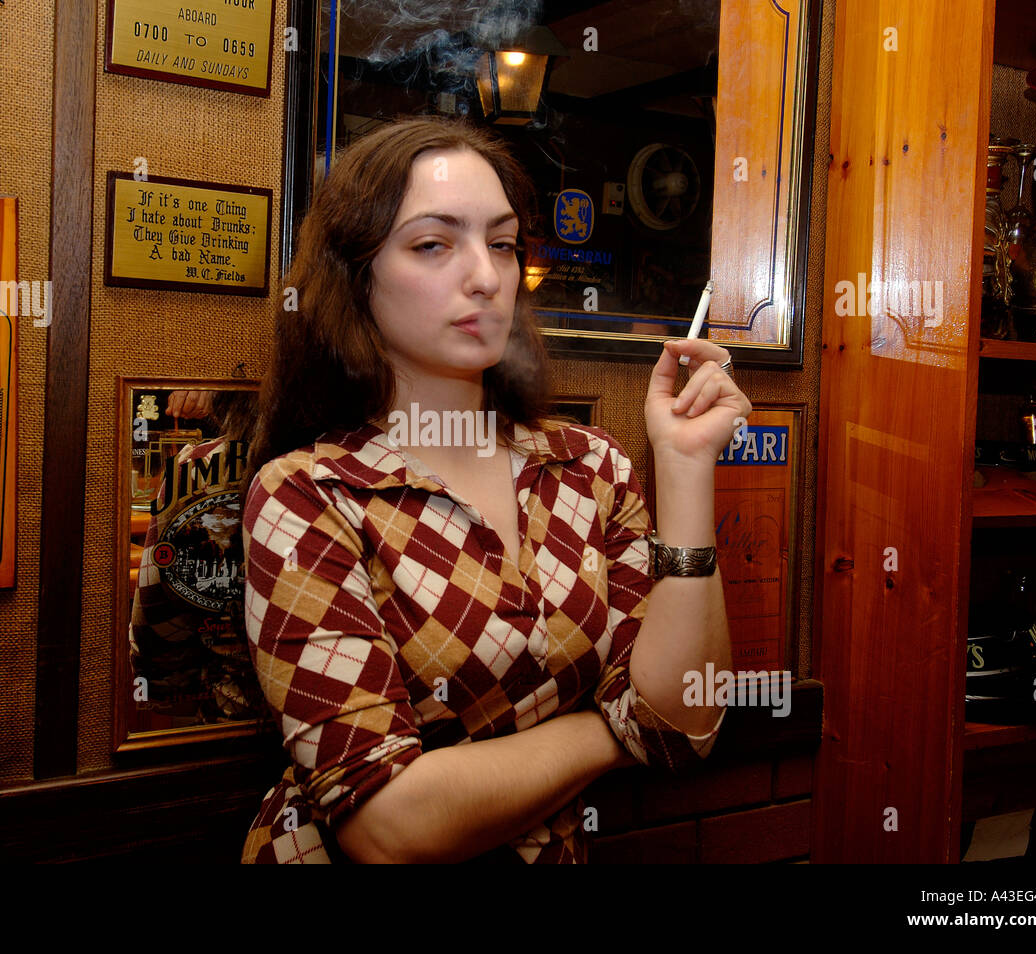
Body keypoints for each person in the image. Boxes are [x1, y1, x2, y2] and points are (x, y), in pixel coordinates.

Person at [238, 116, 750, 863]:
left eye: (502, 243)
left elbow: (687, 720)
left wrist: (684, 468)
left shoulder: (590, 468)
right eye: (433, 244)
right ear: (357, 277)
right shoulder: (311, 496)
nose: (485, 274)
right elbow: (390, 825)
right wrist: (611, 732)